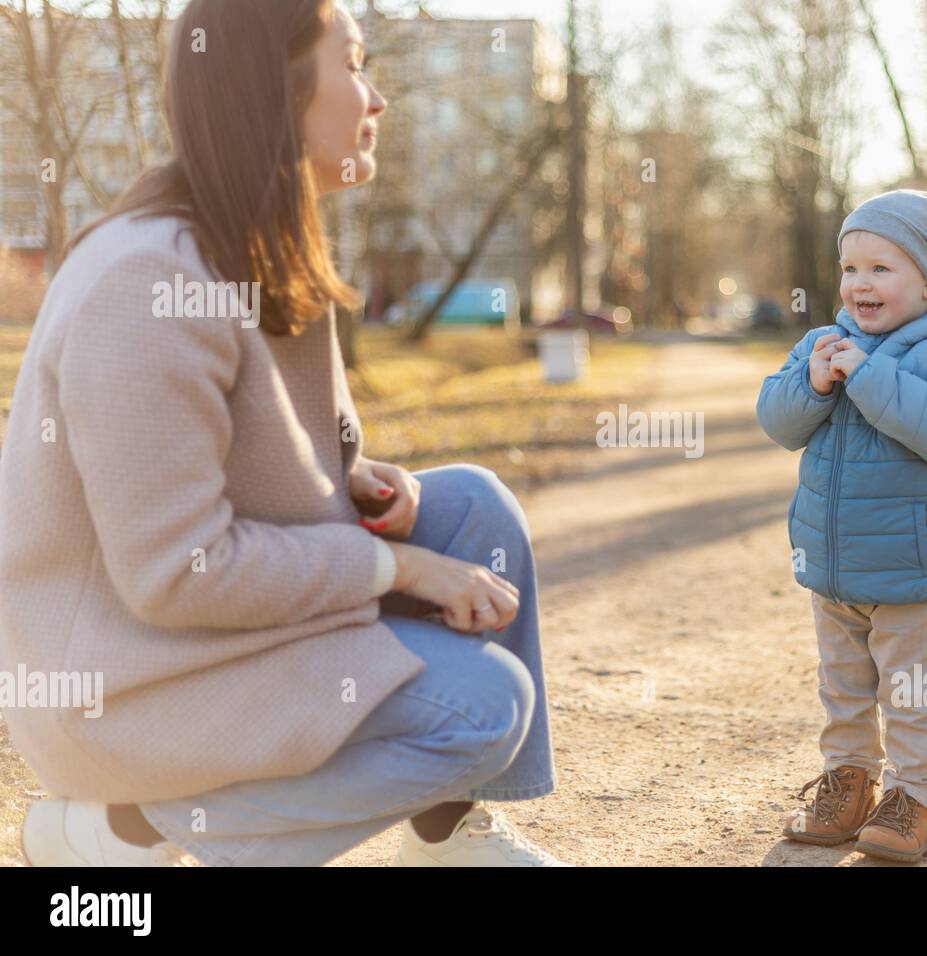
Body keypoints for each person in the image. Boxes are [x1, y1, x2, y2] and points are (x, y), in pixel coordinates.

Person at [0, 0, 564, 867]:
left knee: (474, 511)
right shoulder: (149, 280)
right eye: (356, 64)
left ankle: (450, 838)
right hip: (129, 682)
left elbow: (253, 462)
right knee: (481, 707)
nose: (376, 98)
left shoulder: (260, 245)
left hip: (210, 637)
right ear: (279, 89)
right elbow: (177, 573)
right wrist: (401, 567)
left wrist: (364, 484)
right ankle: (121, 828)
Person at [755, 189, 927, 863]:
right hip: (831, 565)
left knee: (912, 691)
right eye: (850, 268)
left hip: (910, 572)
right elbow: (777, 420)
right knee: (844, 687)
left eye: (881, 269)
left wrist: (869, 377)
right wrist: (814, 381)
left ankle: (912, 801)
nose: (861, 284)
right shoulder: (823, 343)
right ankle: (848, 785)